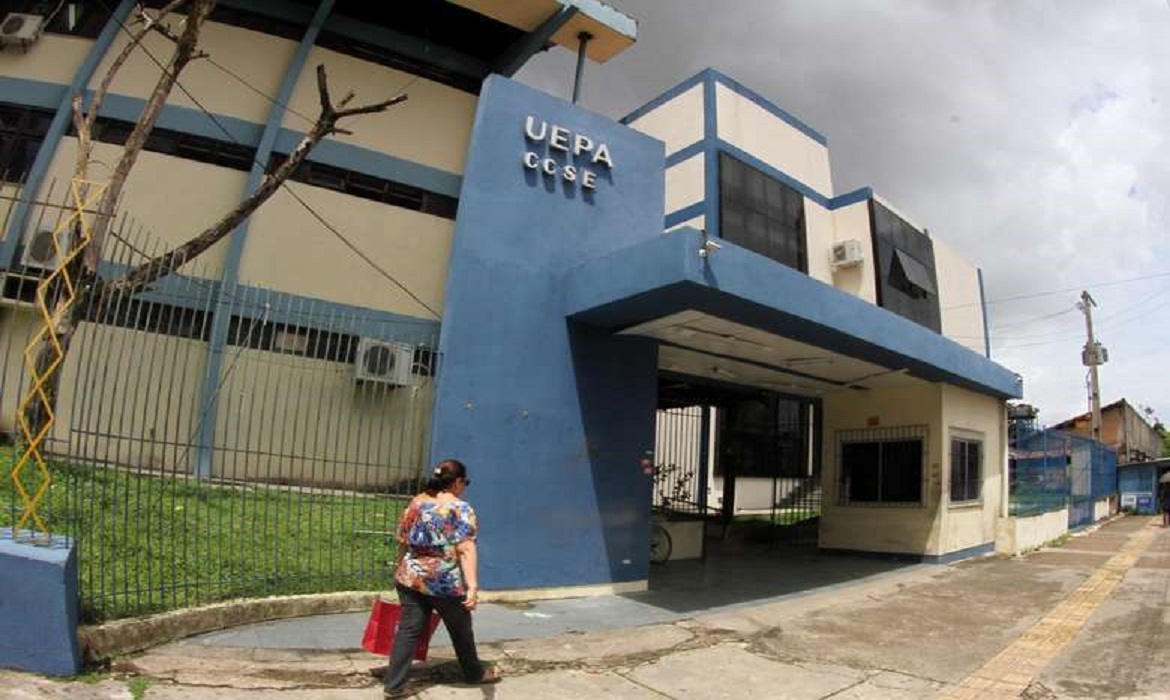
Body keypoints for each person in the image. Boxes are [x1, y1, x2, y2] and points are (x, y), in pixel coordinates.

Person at [382, 458, 500, 698]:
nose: (465, 486)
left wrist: (401, 567)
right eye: (464, 481)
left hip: (410, 577)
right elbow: (466, 549)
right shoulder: (461, 509)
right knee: (460, 628)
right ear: (457, 482)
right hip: (442, 582)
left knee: (408, 629)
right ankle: (474, 673)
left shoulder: (417, 503)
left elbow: (403, 539)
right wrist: (473, 587)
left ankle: (393, 685)